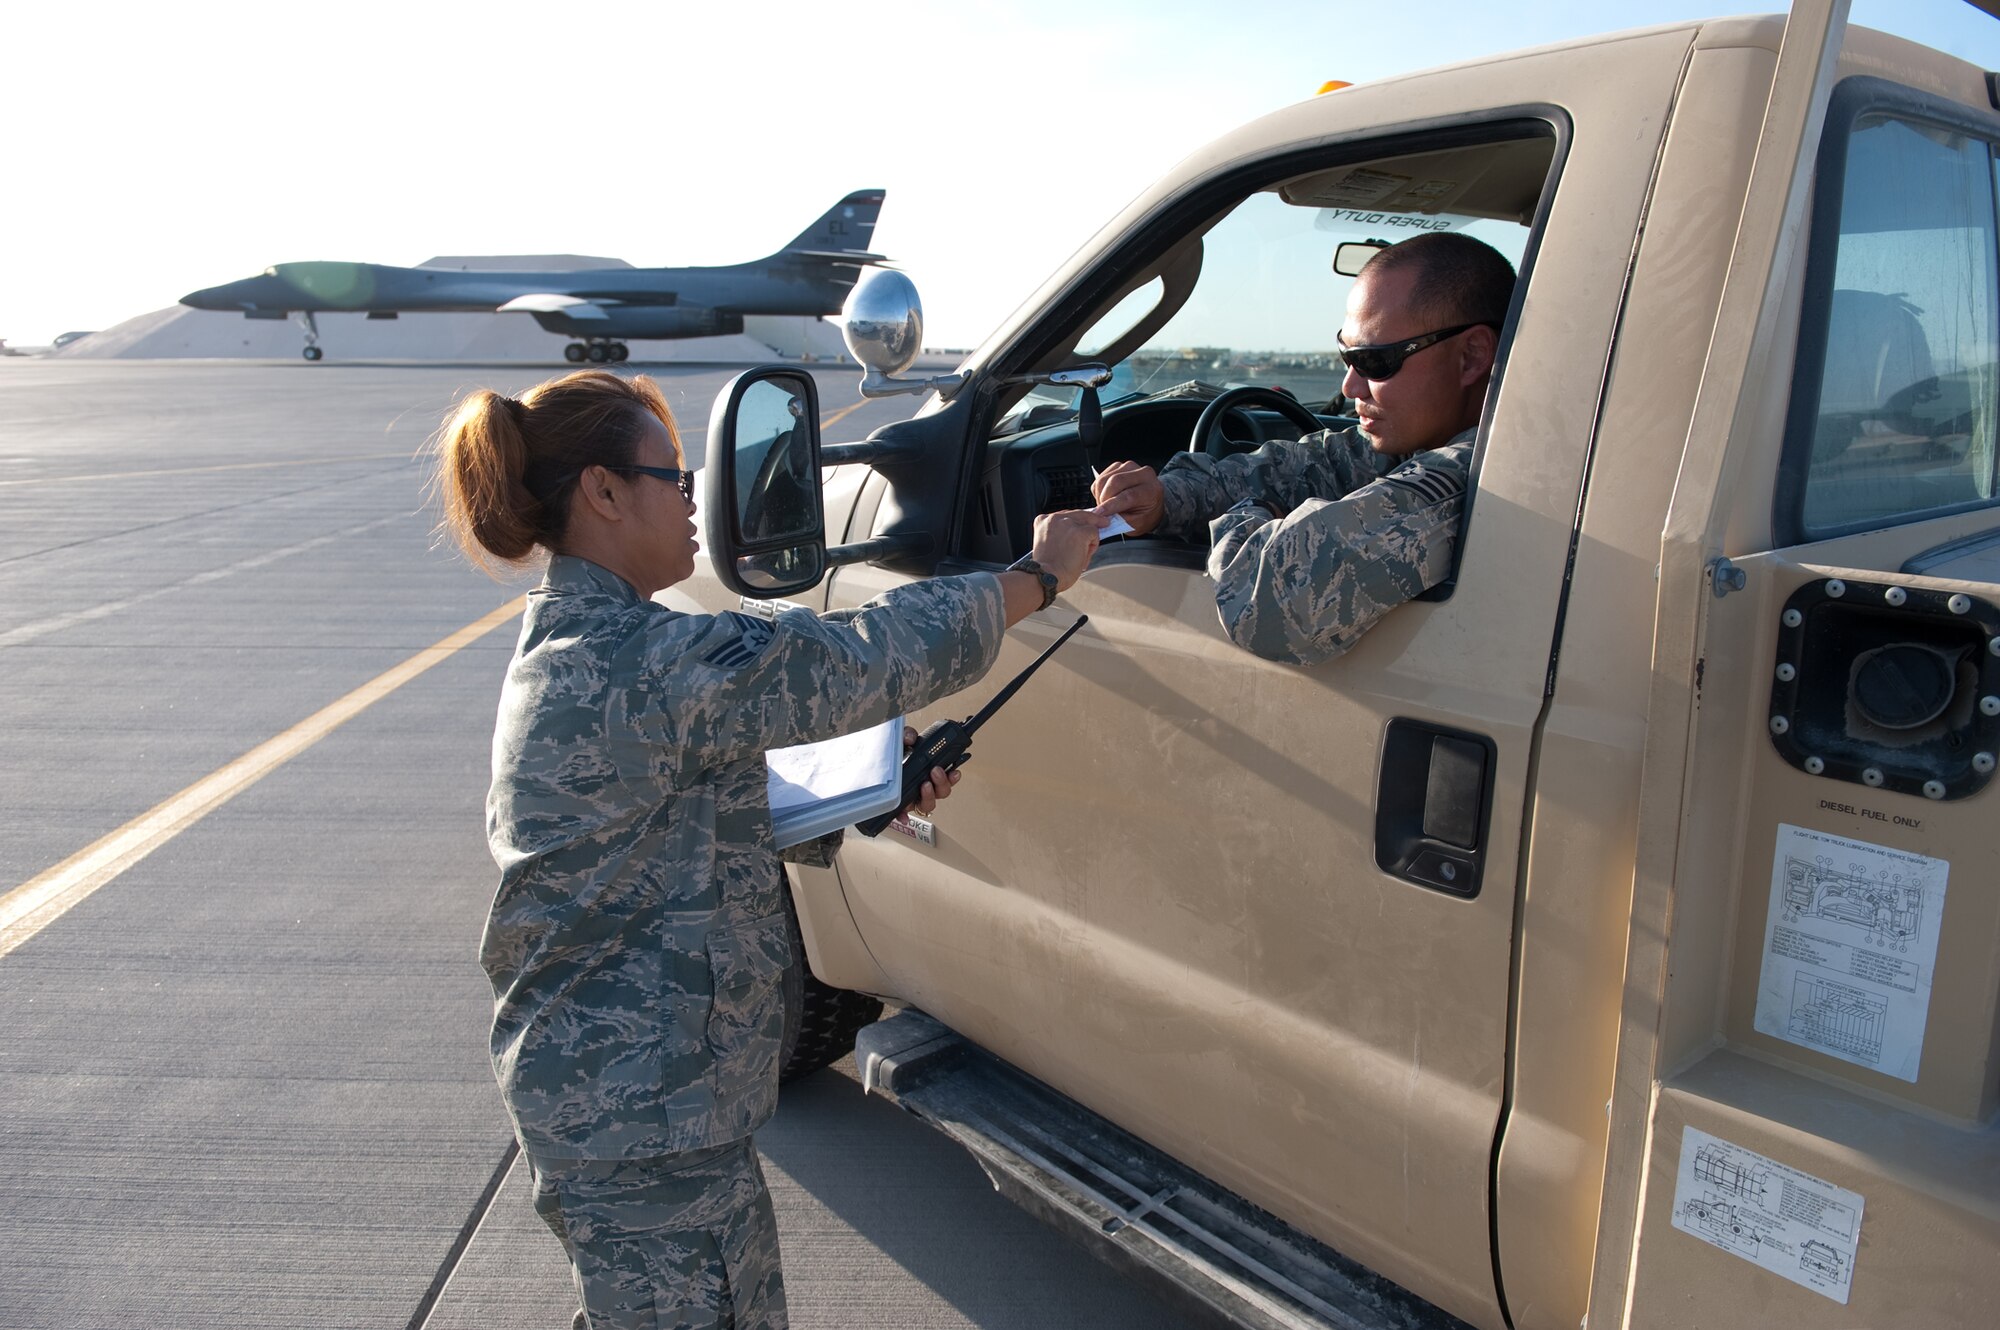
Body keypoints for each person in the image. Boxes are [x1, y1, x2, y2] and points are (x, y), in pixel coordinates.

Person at [432, 369, 1101, 1330]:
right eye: (674, 475)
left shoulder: (599, 646)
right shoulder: (635, 663)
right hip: (638, 1121)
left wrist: (876, 783)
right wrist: (1037, 577)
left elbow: (690, 829)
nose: (697, 501)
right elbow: (856, 659)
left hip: (645, 1110)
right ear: (605, 493)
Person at [1091, 232, 1515, 665]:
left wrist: (1254, 516)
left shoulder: (1479, 477)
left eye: (1375, 362)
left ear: (1472, 357)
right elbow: (1312, 465)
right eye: (1346, 357)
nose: (1349, 386)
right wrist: (1166, 499)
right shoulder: (1429, 440)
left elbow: (1266, 608)